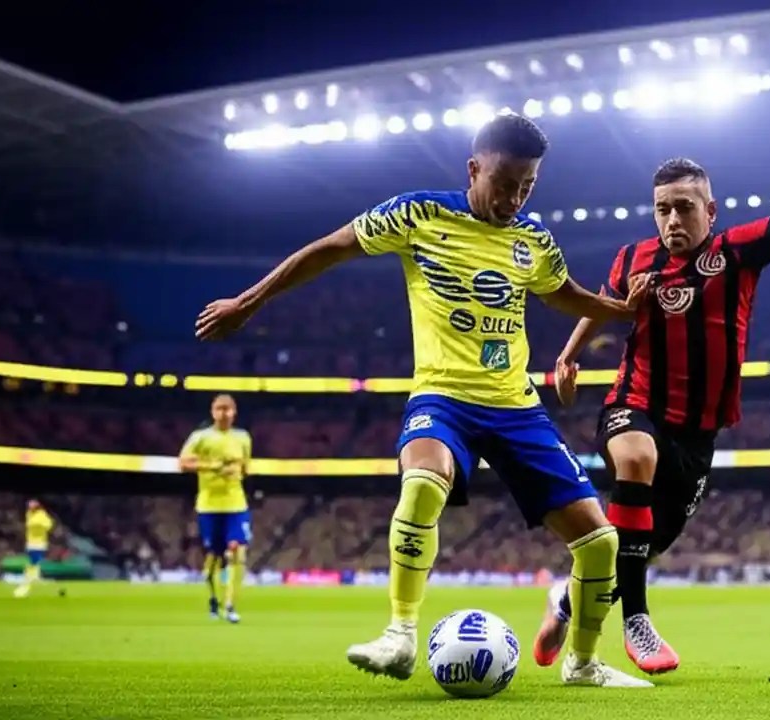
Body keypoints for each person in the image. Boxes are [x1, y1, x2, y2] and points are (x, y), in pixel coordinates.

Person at [194, 113, 654, 687]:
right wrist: (248, 302)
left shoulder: (533, 239)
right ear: (474, 168)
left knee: (600, 542)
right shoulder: (419, 213)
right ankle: (400, 635)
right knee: (421, 484)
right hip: (443, 396)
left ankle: (582, 664)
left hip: (516, 406)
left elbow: (562, 293)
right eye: (504, 182)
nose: (514, 198)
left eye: (527, 186)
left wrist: (620, 310)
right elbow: (330, 248)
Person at [534, 114, 770, 675]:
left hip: (698, 431)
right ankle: (637, 620)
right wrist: (569, 354)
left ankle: (564, 601)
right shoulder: (632, 259)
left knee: (642, 545)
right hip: (635, 402)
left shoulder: (738, 252)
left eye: (684, 207)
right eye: (662, 209)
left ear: (711, 210)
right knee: (636, 456)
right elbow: (603, 304)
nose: (672, 219)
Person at [179, 393, 252, 624]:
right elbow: (183, 463)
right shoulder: (201, 437)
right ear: (212, 412)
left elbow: (246, 468)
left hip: (236, 504)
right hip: (209, 505)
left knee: (237, 552)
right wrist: (213, 466)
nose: (223, 413)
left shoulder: (242, 438)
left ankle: (230, 606)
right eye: (219, 408)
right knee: (214, 557)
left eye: (227, 409)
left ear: (234, 412)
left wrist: (236, 472)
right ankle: (213, 599)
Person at [14, 499, 53, 598]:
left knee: (36, 559)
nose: (30, 508)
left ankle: (33, 576)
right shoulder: (29, 514)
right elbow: (30, 524)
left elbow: (48, 525)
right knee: (34, 560)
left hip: (40, 542)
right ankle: (31, 577)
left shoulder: (42, 514)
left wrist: (40, 524)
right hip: (31, 542)